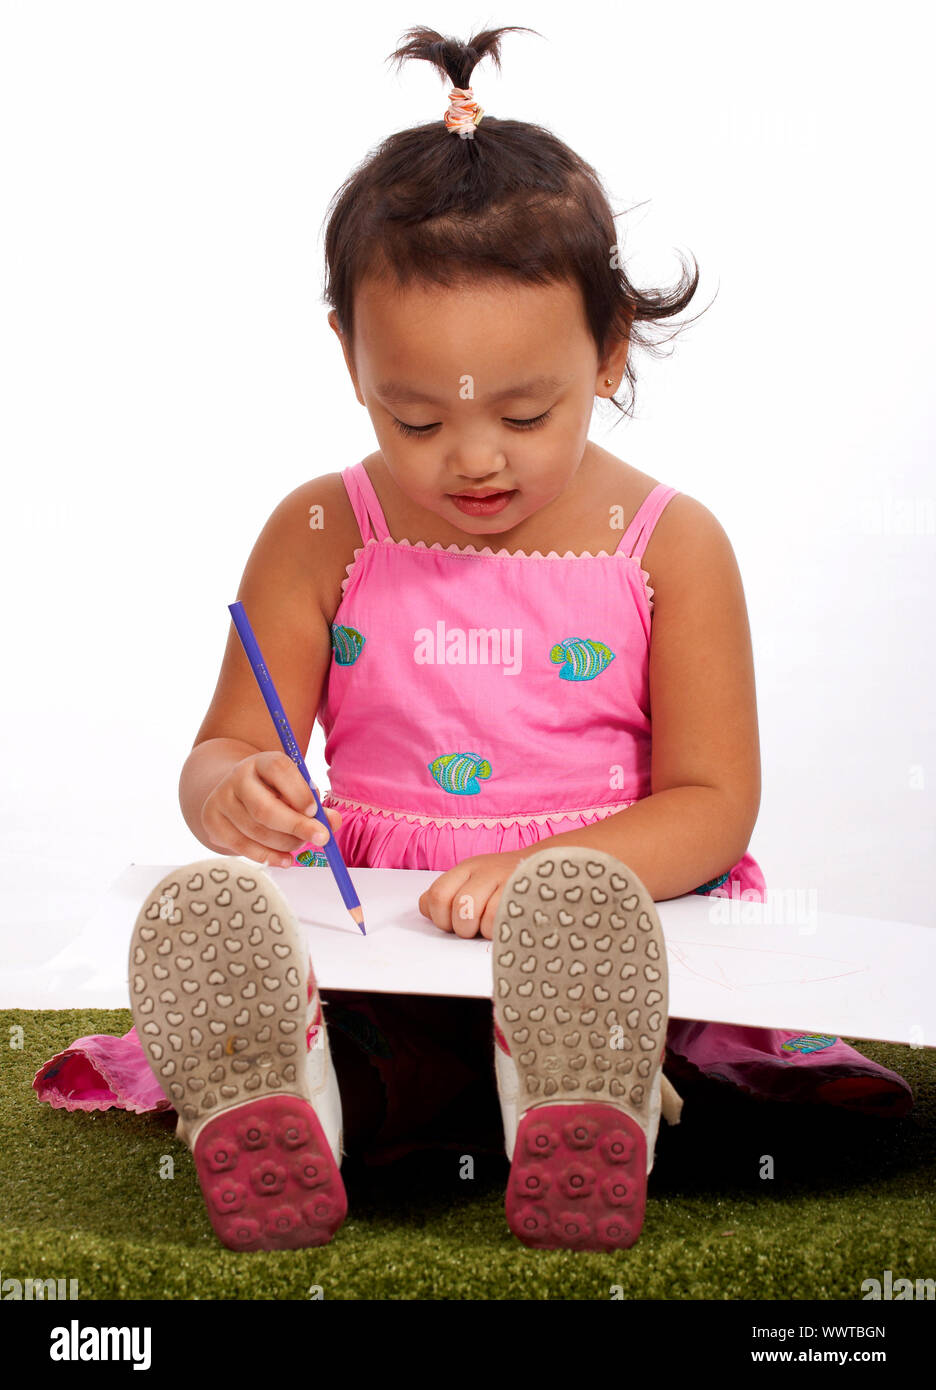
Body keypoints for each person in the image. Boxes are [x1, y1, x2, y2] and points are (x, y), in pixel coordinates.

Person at [34, 24, 913, 1253]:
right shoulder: (318, 525)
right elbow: (228, 742)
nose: (474, 457)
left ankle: (587, 1089)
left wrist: (563, 878)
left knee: (711, 1065)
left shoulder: (668, 543)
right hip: (385, 938)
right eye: (416, 416)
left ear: (608, 353)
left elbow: (715, 801)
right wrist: (234, 788)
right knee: (380, 1037)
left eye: (524, 410)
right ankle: (303, 1100)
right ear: (348, 356)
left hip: (610, 937)